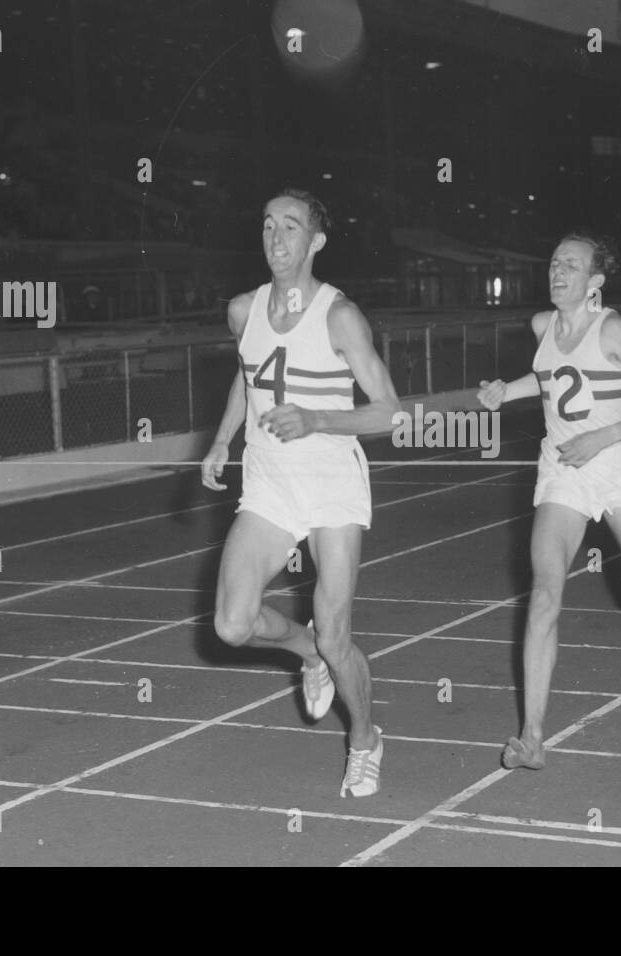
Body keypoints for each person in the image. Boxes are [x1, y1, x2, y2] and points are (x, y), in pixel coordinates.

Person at [201, 188, 401, 797]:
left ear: (315, 241)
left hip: (331, 483)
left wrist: (315, 420)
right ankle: (305, 653)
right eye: (266, 225)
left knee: (339, 634)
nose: (276, 238)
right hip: (269, 483)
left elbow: (390, 412)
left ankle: (364, 738)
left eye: (290, 227)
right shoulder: (243, 310)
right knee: (232, 624)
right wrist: (222, 440)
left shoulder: (340, 317)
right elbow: (248, 373)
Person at [478, 231, 621, 770]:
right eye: (555, 263)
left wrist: (602, 438)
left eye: (571, 266)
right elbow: (551, 377)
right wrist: (504, 391)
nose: (558, 273)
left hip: (616, 464)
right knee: (544, 594)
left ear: (595, 281)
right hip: (562, 471)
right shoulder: (541, 326)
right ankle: (532, 737)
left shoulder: (615, 330)